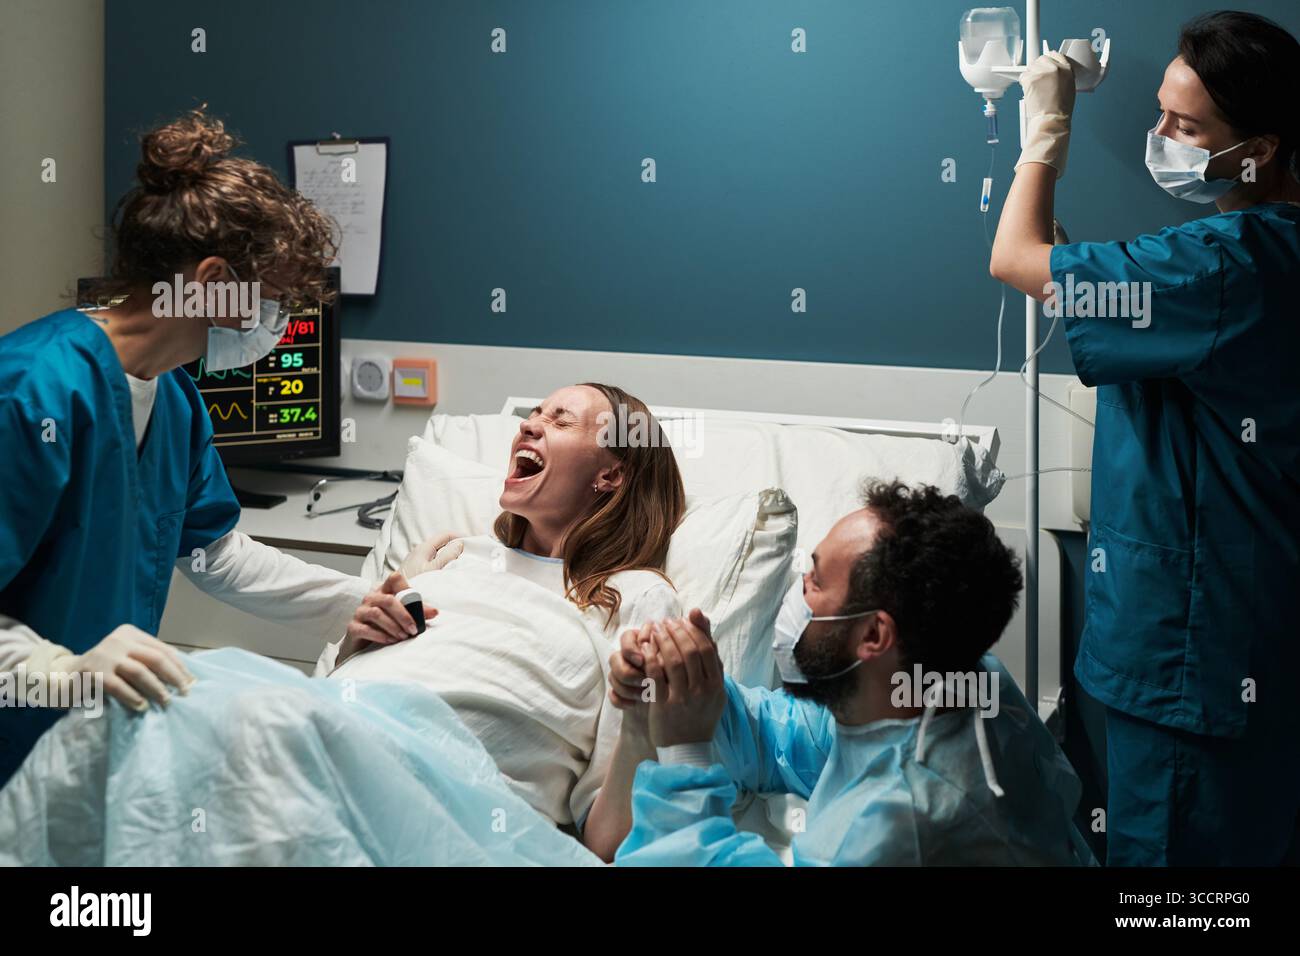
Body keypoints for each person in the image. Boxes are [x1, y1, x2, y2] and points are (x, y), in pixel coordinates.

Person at [990, 11, 1300, 864]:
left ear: (1262, 147)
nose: (1158, 135)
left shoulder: (1219, 264)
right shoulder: (1258, 258)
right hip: (1245, 643)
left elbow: (1013, 258)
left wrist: (1045, 131)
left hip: (1186, 664)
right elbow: (1147, 319)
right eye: (1161, 112)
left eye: (1185, 125)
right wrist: (1081, 278)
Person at [0, 109, 371, 785]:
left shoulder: (171, 401)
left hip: (85, 742)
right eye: (275, 296)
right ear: (209, 281)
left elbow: (213, 552)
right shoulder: (33, 390)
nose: (279, 320)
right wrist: (57, 671)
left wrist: (357, 602)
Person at [608, 481, 1092, 866]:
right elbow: (786, 739)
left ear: (874, 637)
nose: (798, 591)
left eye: (815, 581)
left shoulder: (898, 826)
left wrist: (685, 753)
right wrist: (692, 682)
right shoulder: (946, 681)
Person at [315, 383, 687, 861]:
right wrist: (360, 631)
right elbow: (340, 676)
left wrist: (640, 725)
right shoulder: (454, 556)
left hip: (440, 805)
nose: (529, 426)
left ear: (611, 475)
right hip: (322, 733)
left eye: (561, 420)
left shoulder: (637, 597)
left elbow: (607, 840)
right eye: (533, 414)